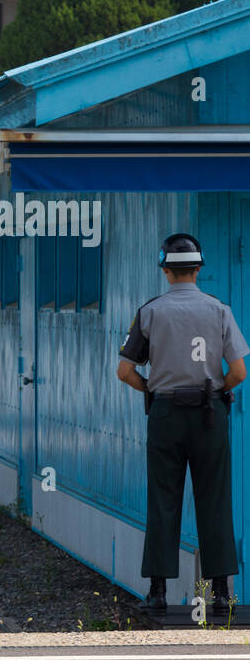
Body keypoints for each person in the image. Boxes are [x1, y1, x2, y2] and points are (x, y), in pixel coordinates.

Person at [117, 233, 248, 614]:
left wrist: (152, 390)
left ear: (165, 269)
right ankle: (221, 595)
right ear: (199, 268)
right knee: (215, 500)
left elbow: (124, 370)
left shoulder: (150, 311)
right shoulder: (219, 310)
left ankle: (158, 592)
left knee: (163, 499)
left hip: (165, 415)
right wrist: (218, 391)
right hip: (209, 414)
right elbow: (239, 369)